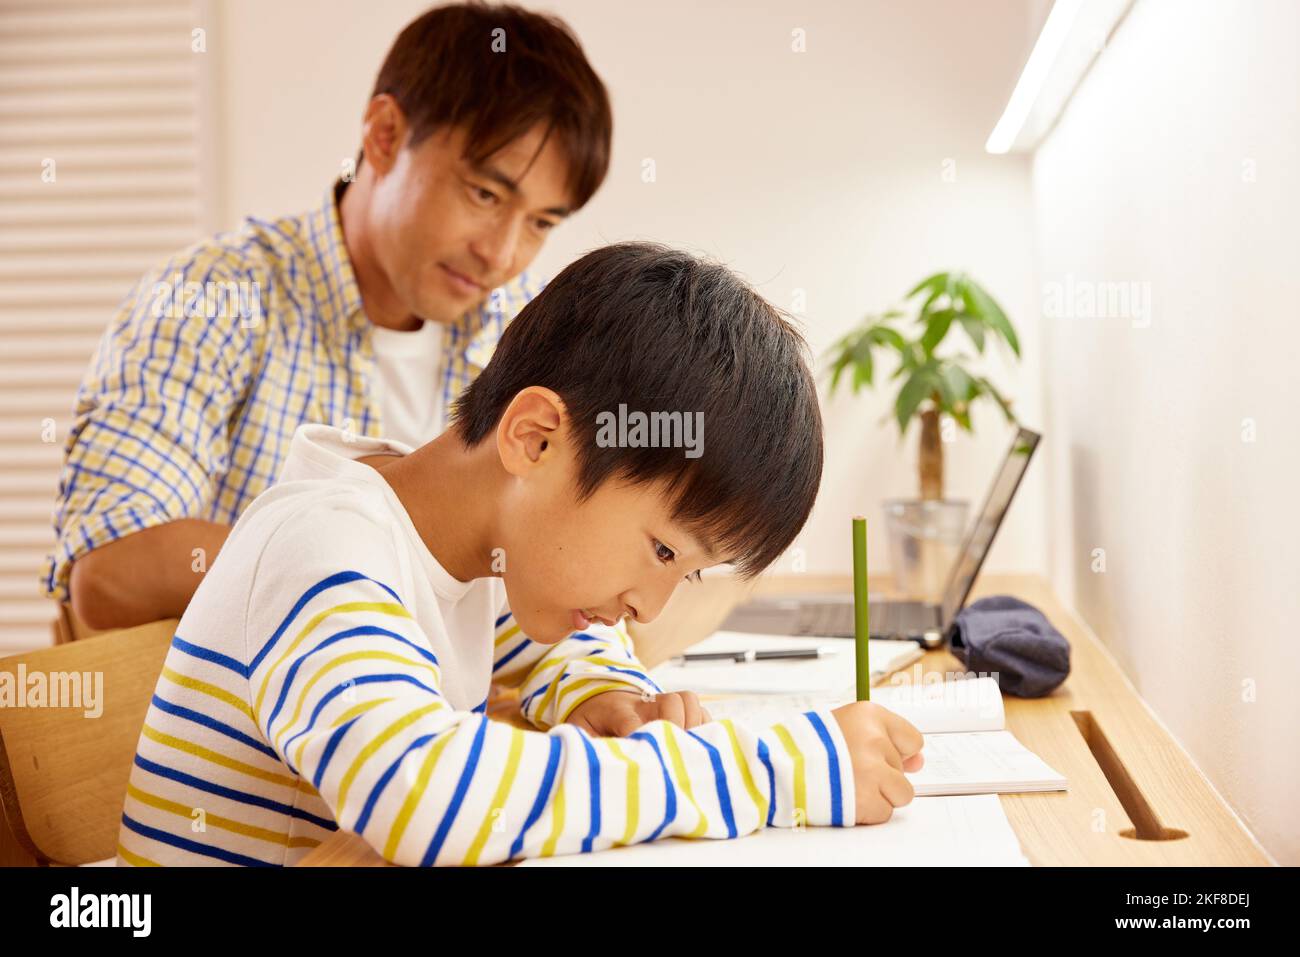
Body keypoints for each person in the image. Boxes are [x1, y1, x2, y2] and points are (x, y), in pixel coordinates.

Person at [114, 242, 925, 867]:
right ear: (535, 439)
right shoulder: (327, 545)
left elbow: (565, 641)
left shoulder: (476, 550)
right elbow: (420, 793)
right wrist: (767, 768)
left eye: (688, 572)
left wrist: (603, 693)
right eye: (661, 549)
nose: (652, 604)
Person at [44, 2, 607, 636]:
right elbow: (110, 575)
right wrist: (384, 564)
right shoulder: (215, 294)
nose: (502, 255)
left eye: (541, 223)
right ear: (385, 135)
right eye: (484, 194)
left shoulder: (523, 324)